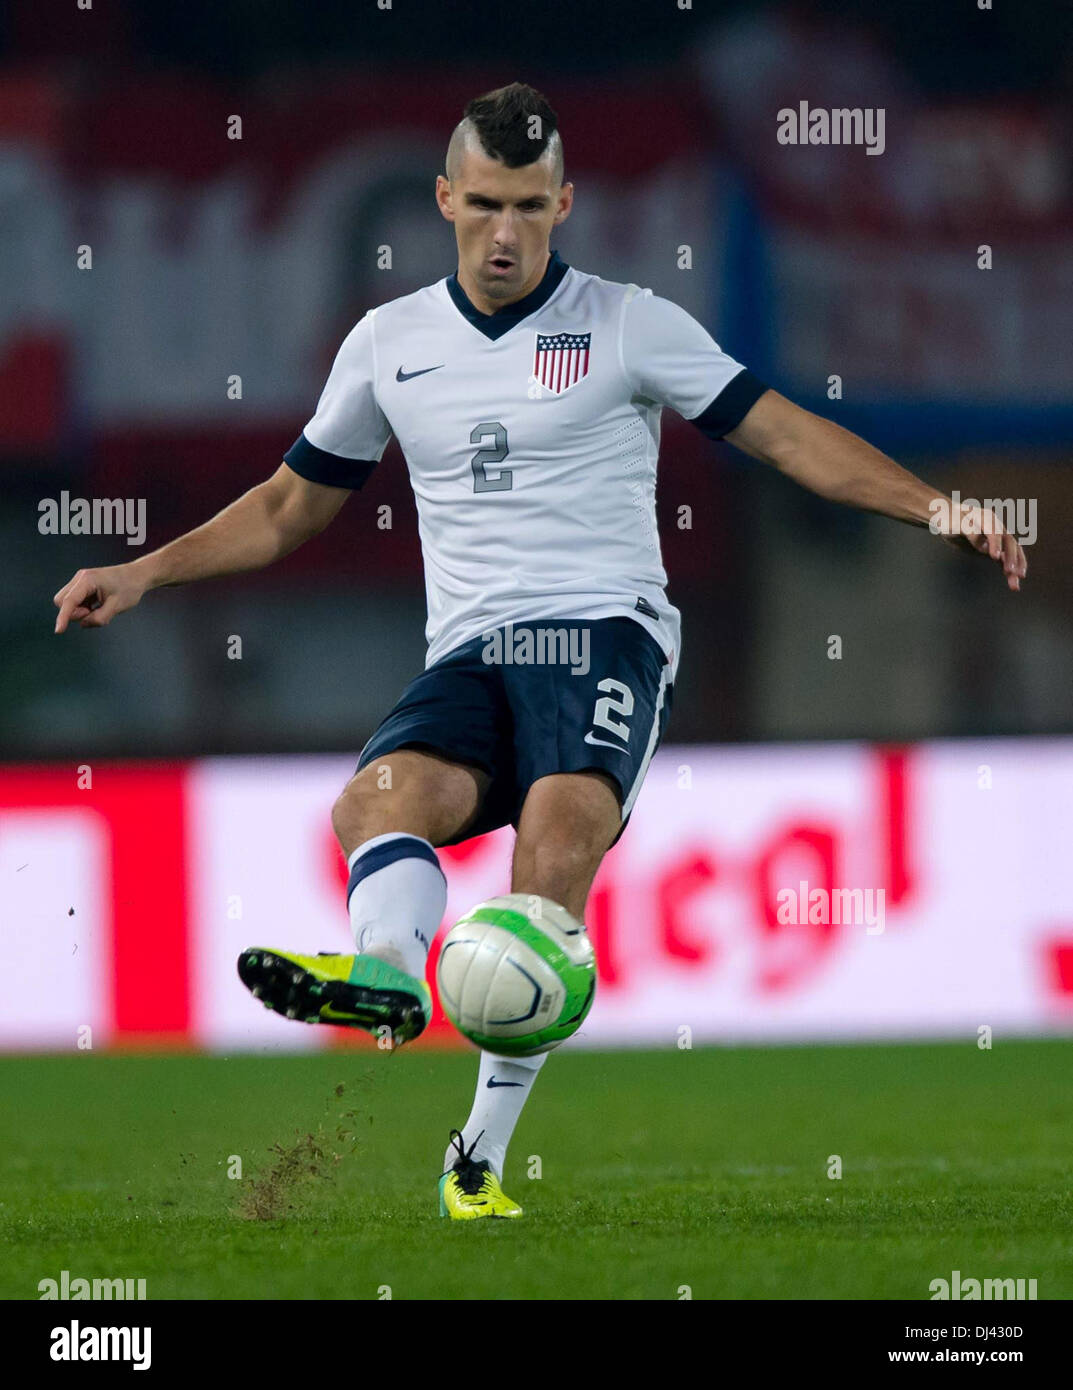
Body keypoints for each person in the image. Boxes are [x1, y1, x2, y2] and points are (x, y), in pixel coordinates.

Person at [53, 82, 1026, 1221]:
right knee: (375, 804)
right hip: (467, 652)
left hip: (604, 630)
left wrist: (933, 505)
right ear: (442, 200)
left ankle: (475, 1156)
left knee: (558, 832)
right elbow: (285, 508)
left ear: (564, 202)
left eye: (526, 206)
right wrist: (141, 569)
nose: (504, 232)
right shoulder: (386, 343)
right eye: (481, 206)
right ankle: (384, 985)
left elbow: (783, 433)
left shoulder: (628, 323)